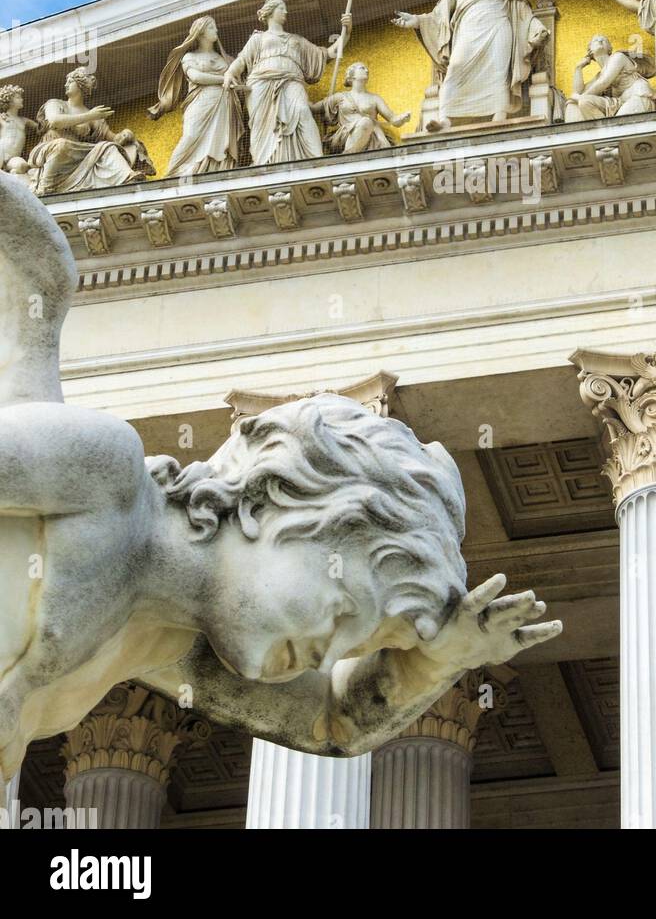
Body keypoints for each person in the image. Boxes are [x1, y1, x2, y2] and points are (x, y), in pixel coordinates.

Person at [0, 171, 561, 781]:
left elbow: (333, 721)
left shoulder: (163, 639)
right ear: (268, 504)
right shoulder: (103, 475)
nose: (328, 652)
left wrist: (435, 661)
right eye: (342, 609)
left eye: (353, 646)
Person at [391, 0, 548, 131]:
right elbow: (437, 18)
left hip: (498, 31)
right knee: (455, 68)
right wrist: (416, 21)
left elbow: (525, 16)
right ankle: (445, 119)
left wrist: (537, 30)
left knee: (499, 72)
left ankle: (499, 117)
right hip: (468, 34)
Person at [223, 0, 352, 166]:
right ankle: (263, 163)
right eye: (281, 8)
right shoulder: (258, 38)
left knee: (302, 111)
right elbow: (241, 61)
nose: (286, 11)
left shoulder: (297, 41)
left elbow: (330, 53)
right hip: (261, 84)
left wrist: (347, 31)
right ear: (270, 12)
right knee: (263, 123)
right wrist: (230, 74)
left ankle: (317, 159)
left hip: (291, 81)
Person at [28, 67, 154, 195]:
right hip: (49, 152)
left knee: (107, 147)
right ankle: (45, 186)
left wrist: (125, 134)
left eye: (70, 81)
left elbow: (113, 139)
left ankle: (128, 177)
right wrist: (90, 116)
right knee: (62, 144)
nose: (66, 84)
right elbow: (55, 121)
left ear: (80, 85)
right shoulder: (56, 103)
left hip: (78, 155)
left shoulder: (95, 118)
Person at [149, 15, 242, 176]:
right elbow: (196, 77)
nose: (216, 30)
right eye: (212, 27)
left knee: (221, 141)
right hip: (201, 102)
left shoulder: (224, 59)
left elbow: (241, 69)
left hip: (223, 103)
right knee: (191, 135)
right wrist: (224, 78)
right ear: (200, 33)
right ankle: (172, 174)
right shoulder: (189, 57)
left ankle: (216, 171)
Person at [315, 61, 410, 153]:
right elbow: (314, 108)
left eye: (366, 68)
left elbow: (393, 119)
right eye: (362, 68)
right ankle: (349, 154)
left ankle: (349, 155)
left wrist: (402, 118)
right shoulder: (340, 97)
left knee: (366, 122)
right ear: (352, 75)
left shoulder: (374, 98)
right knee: (366, 121)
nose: (367, 70)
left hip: (371, 136)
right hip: (347, 137)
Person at [564, 35, 656, 121]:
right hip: (621, 103)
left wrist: (580, 97)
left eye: (604, 40)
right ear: (590, 51)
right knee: (580, 102)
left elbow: (604, 82)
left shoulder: (618, 57)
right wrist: (578, 68)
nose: (600, 40)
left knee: (619, 127)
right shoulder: (599, 76)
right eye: (595, 40)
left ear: (610, 49)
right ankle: (601, 133)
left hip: (638, 96)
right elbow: (578, 92)